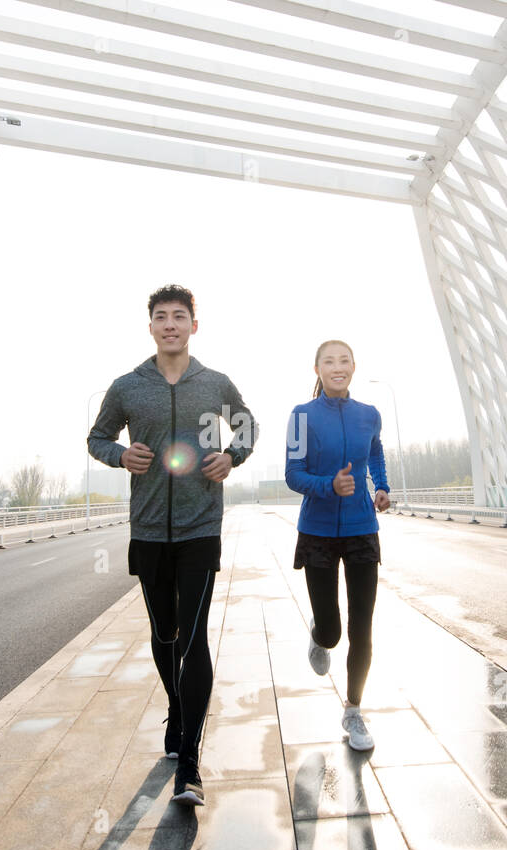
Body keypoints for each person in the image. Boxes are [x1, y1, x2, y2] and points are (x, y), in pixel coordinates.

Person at [87, 285, 257, 806]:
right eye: (160, 317)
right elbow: (96, 438)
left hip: (201, 526)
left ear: (193, 326)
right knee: (165, 634)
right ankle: (177, 707)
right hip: (148, 530)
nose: (170, 325)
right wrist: (120, 456)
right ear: (151, 327)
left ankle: (189, 762)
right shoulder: (128, 387)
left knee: (193, 640)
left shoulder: (215, 383)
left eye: (179, 317)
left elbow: (248, 427)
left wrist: (233, 457)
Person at [284, 340, 390, 751]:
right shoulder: (301, 417)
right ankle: (319, 636)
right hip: (318, 532)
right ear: (318, 369)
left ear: (353, 367)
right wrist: (329, 486)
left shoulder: (369, 415)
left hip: (363, 528)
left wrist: (380, 486)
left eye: (344, 360)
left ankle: (354, 710)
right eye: (329, 361)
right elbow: (294, 475)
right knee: (332, 630)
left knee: (362, 625)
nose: (337, 367)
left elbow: (376, 451)